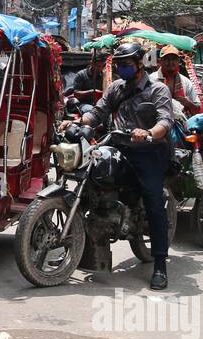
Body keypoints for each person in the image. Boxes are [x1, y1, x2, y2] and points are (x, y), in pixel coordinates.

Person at [65, 40, 176, 289]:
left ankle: (160, 264)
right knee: (94, 170)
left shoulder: (158, 90)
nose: (121, 69)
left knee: (153, 199)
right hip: (119, 146)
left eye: (125, 64)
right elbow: (99, 111)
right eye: (118, 65)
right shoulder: (117, 87)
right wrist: (80, 121)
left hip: (149, 151)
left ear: (139, 64)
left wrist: (148, 132)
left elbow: (165, 122)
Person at [151, 46, 200, 127]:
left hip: (182, 125)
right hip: (156, 123)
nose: (170, 62)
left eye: (173, 59)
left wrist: (188, 103)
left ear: (179, 61)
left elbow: (197, 108)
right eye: (167, 59)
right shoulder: (152, 80)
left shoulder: (186, 82)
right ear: (160, 61)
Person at [71, 51, 109, 115]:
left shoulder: (104, 76)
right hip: (84, 104)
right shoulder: (81, 75)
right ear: (92, 63)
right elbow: (76, 93)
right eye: (97, 66)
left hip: (99, 104)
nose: (99, 68)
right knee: (91, 110)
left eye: (101, 66)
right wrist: (91, 92)